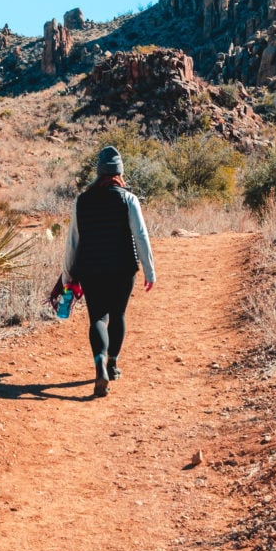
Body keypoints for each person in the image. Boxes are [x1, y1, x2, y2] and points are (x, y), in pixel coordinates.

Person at [61, 145, 157, 397]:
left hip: (91, 269)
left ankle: (99, 362)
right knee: (118, 314)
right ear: (120, 173)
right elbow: (140, 235)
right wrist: (149, 269)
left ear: (98, 172)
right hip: (123, 268)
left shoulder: (82, 201)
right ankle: (112, 364)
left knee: (98, 318)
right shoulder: (128, 199)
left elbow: (73, 240)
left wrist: (67, 275)